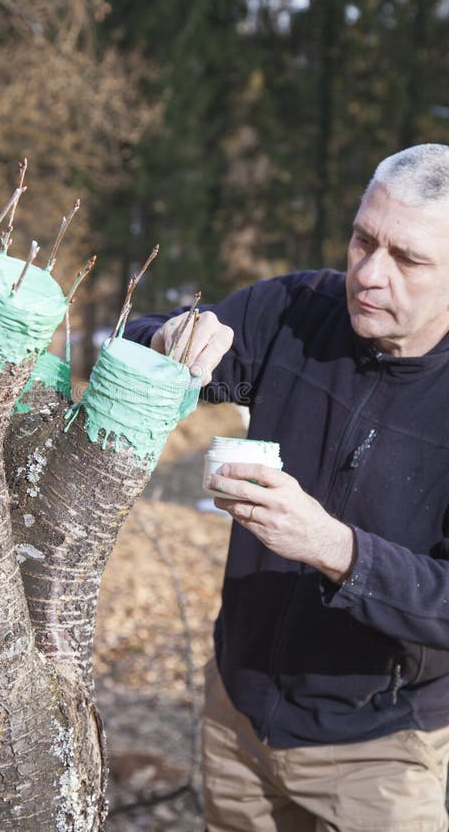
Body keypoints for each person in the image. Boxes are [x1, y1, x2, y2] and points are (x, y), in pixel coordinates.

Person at [125, 143, 449, 831]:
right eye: (363, 240)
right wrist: (169, 340)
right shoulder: (301, 309)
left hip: (380, 751)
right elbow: (145, 336)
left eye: (408, 259)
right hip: (236, 716)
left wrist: (335, 548)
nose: (369, 274)